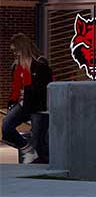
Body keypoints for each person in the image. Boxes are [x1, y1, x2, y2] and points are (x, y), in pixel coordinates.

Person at [2, 34, 51, 164]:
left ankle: (39, 163)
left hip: (38, 107)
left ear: (22, 48)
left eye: (16, 50)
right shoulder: (16, 66)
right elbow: (16, 87)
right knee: (6, 126)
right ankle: (28, 150)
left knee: (39, 143)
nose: (15, 54)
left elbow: (43, 88)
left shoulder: (40, 63)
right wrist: (12, 102)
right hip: (23, 104)